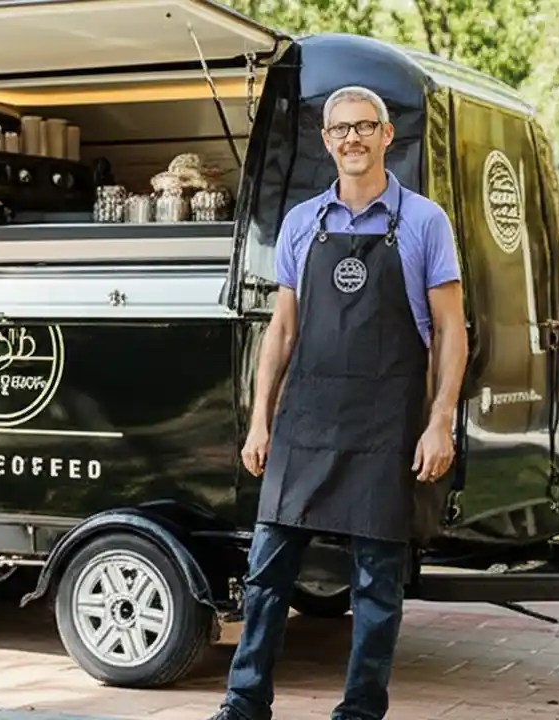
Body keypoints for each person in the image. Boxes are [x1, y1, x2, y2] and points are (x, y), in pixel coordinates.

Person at [208, 86, 468, 720]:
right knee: (267, 572)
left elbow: (451, 331)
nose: (351, 138)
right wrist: (260, 418)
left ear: (386, 136)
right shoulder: (302, 223)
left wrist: (439, 421)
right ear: (326, 142)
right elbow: (283, 331)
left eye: (364, 127)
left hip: (385, 425)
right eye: (339, 129)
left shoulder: (426, 222)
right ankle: (244, 702)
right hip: (305, 420)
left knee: (376, 584)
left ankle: (359, 710)